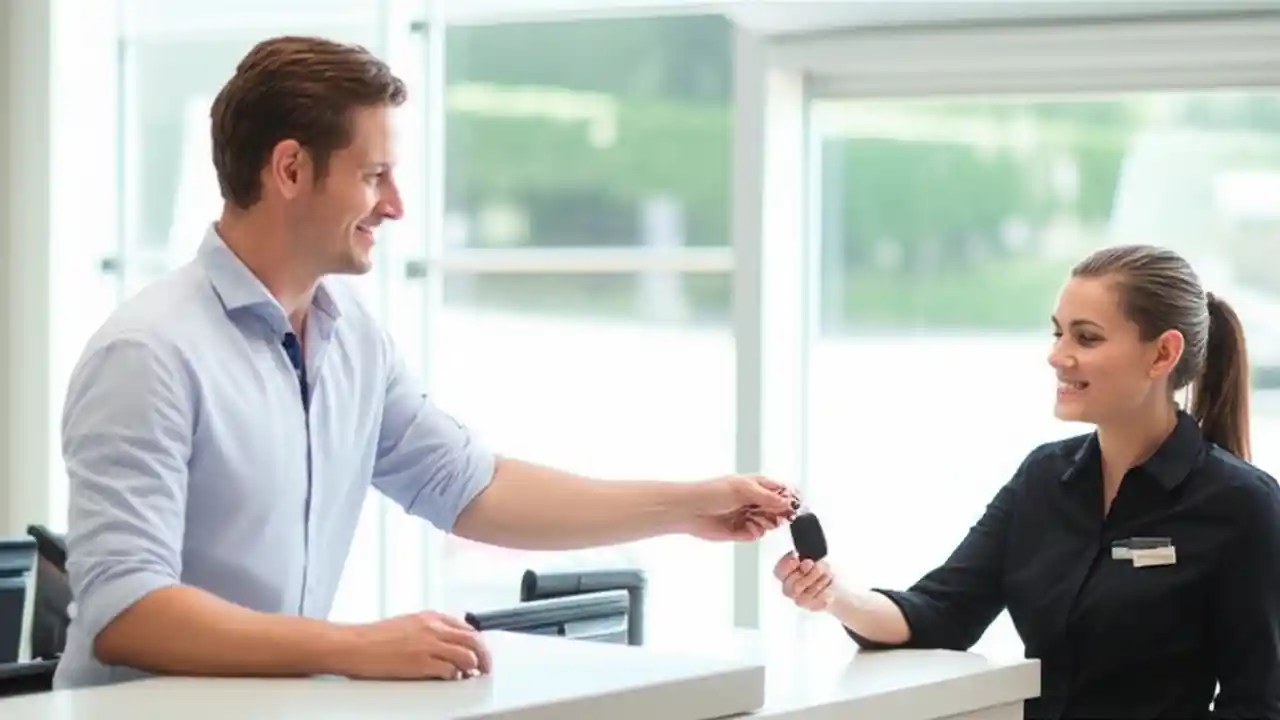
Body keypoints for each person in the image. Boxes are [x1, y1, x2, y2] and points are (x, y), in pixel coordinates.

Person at [55, 36, 796, 690]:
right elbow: (129, 610)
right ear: (289, 169)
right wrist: (354, 648)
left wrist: (689, 504)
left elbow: (474, 488)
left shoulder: (355, 345)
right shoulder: (149, 353)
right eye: (374, 175)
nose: (397, 205)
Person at [774, 245, 1280, 719]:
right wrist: (834, 593)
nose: (1058, 355)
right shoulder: (1044, 479)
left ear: (1163, 354)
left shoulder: (1242, 505)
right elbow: (943, 613)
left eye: (1086, 337)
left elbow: (1259, 703)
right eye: (1057, 332)